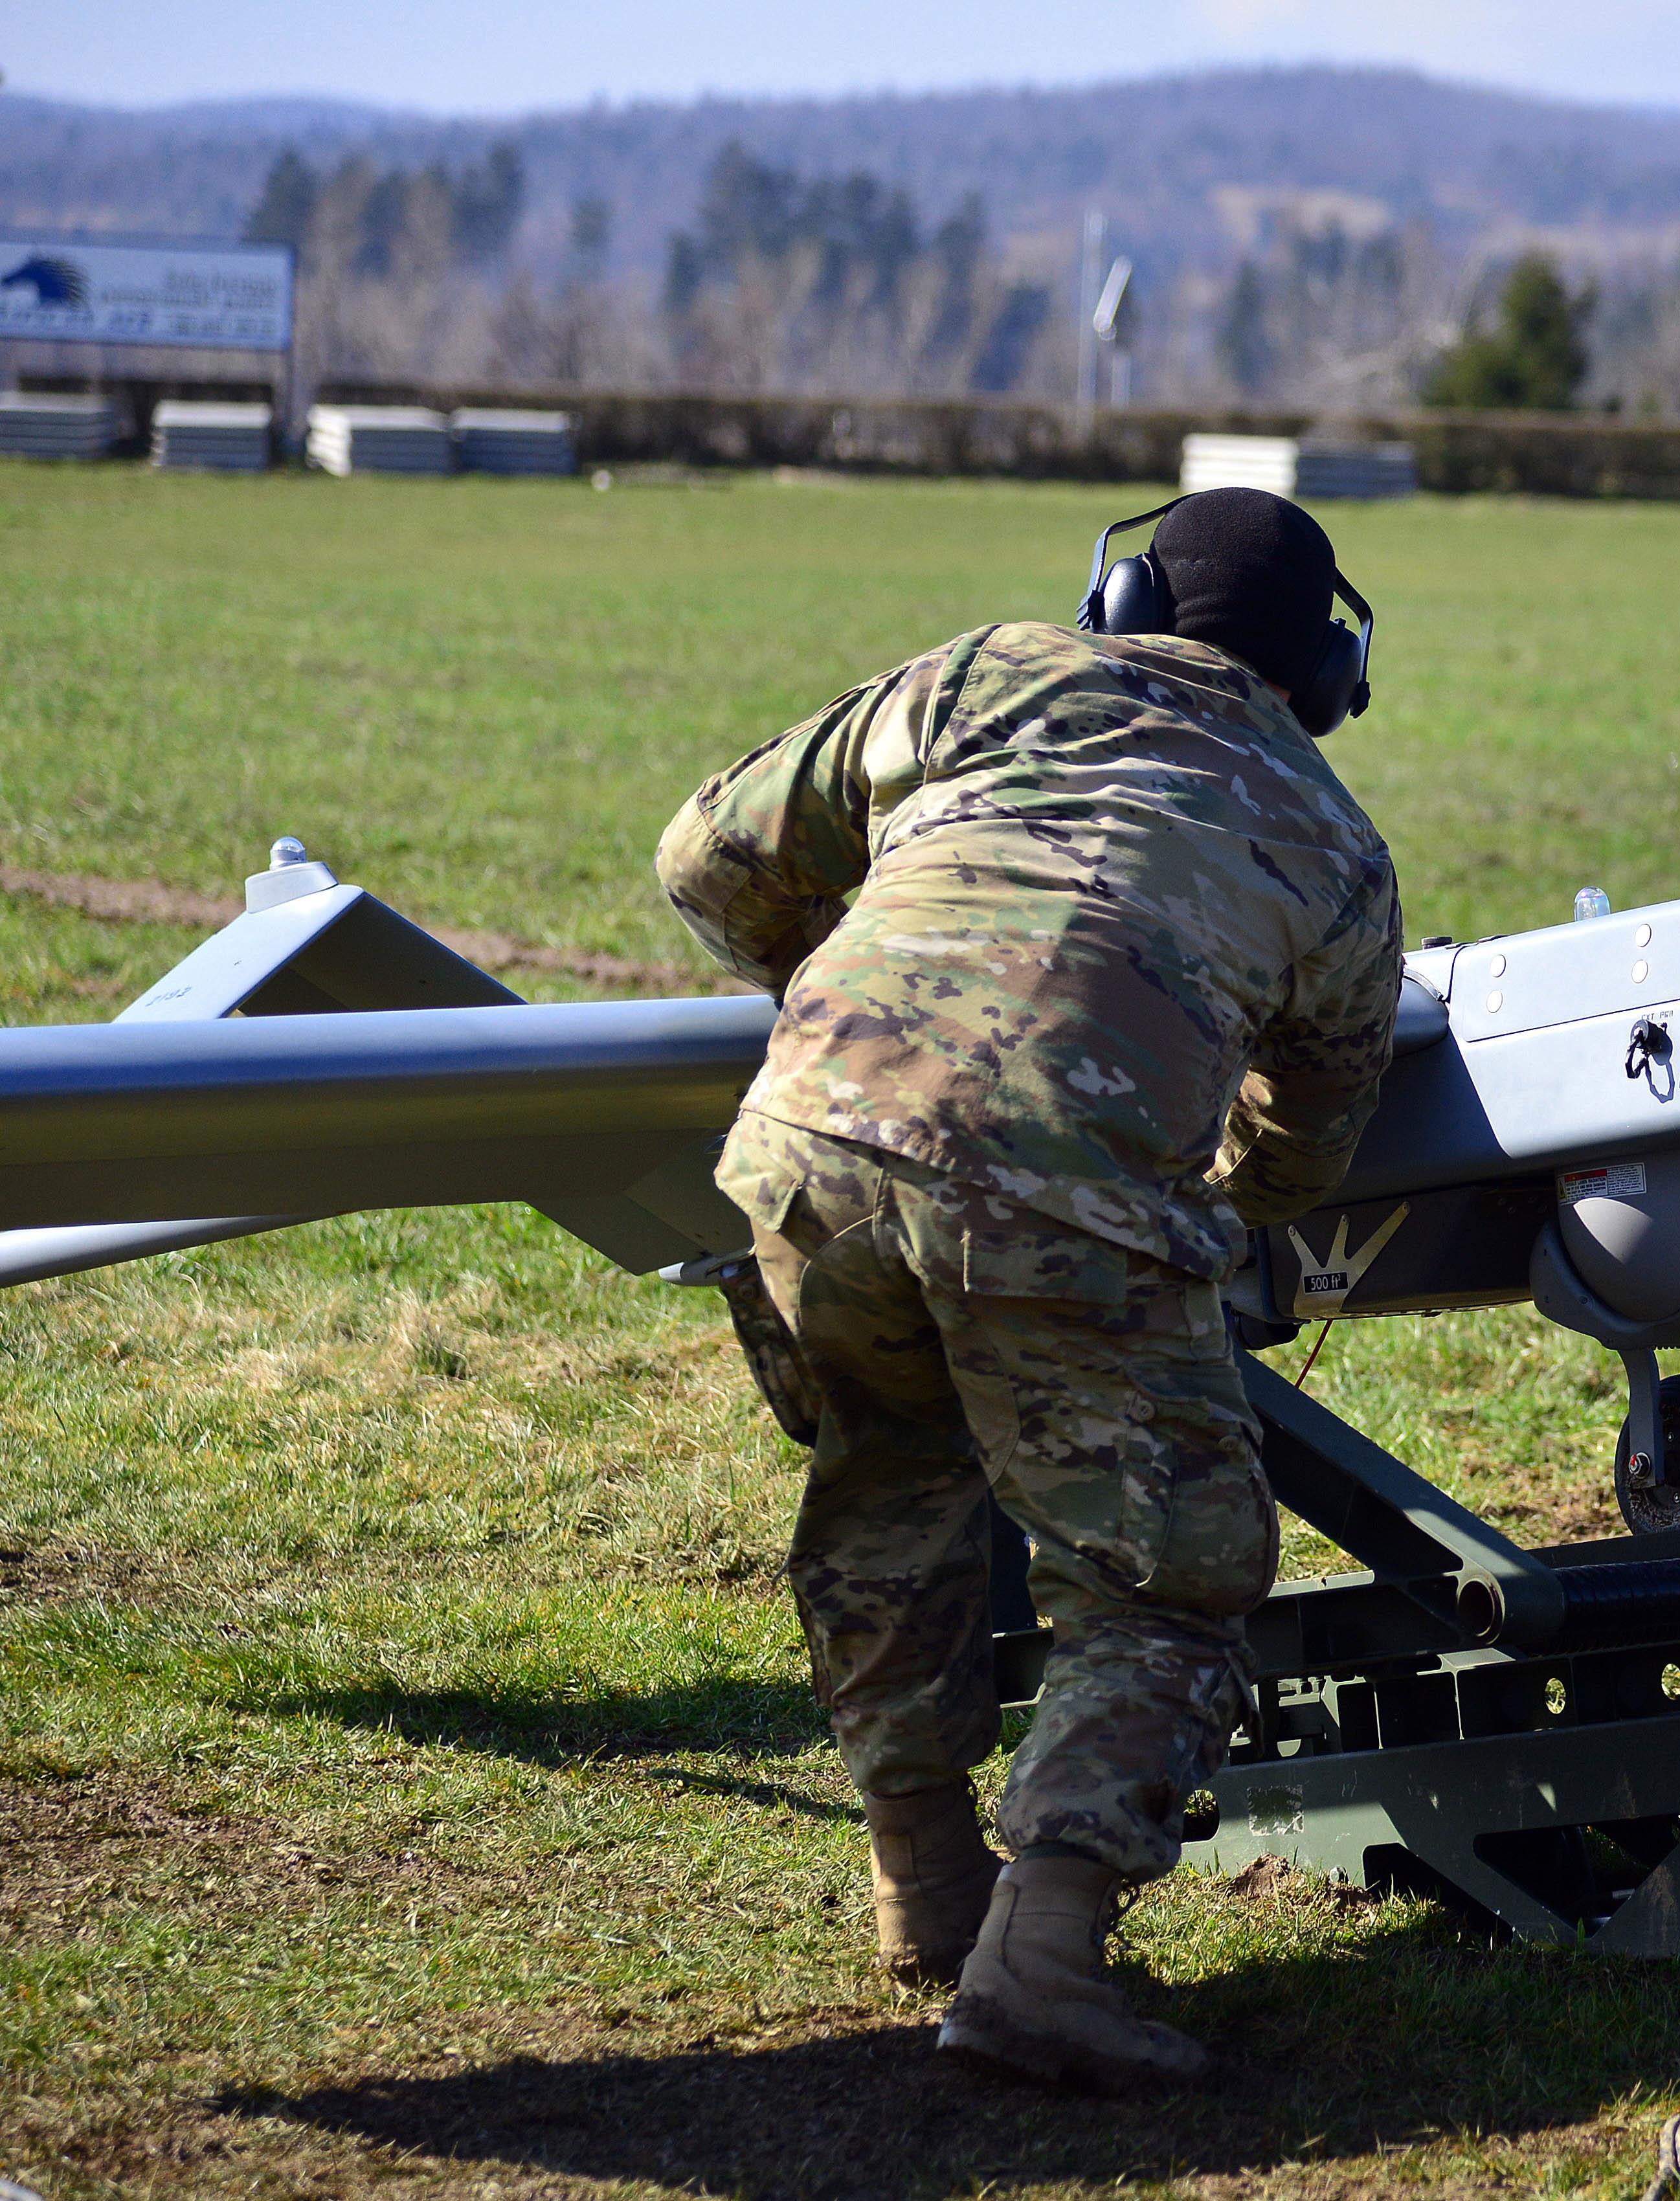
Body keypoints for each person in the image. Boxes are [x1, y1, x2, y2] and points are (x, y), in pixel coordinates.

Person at [655, 486, 1406, 2087]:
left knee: (890, 1487)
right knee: (1164, 1576)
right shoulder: (1337, 846)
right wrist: (1186, 1172)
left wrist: (869, 995)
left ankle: (927, 1890)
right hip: (1065, 1197)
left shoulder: (985, 673)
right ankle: (1043, 1960)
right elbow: (1304, 1146)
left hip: (806, 1151)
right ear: (1328, 676)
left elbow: (708, 859)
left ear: (1122, 598)